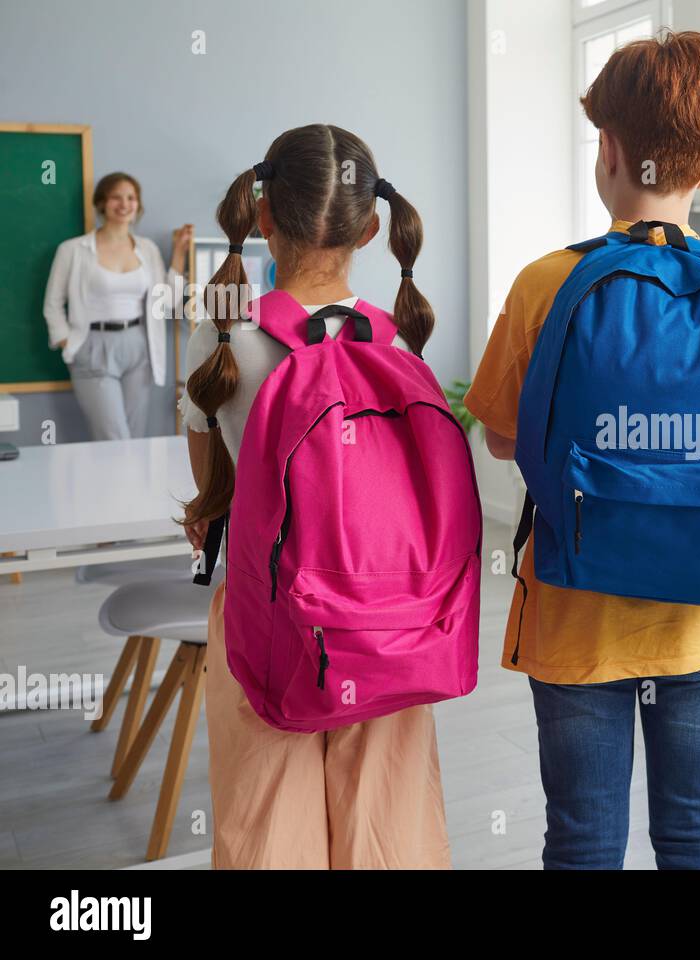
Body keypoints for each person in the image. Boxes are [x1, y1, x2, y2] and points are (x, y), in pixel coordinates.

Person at [466, 31, 700, 870]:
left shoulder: (545, 284)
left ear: (609, 151)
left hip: (574, 614)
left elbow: (502, 436)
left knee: (585, 836)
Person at [178, 124, 450, 869]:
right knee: (387, 817)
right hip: (387, 618)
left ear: (263, 218)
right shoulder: (400, 341)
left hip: (262, 613)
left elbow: (212, 487)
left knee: (266, 818)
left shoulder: (222, 342)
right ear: (371, 226)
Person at [43, 172, 189, 440]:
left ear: (138, 205)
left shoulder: (147, 249)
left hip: (138, 347)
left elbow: (166, 302)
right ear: (101, 203)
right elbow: (52, 303)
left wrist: (178, 254)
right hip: (92, 347)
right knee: (114, 438)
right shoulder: (73, 250)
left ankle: (129, 485)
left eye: (131, 198)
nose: (124, 204)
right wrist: (68, 341)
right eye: (116, 197)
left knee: (134, 438)